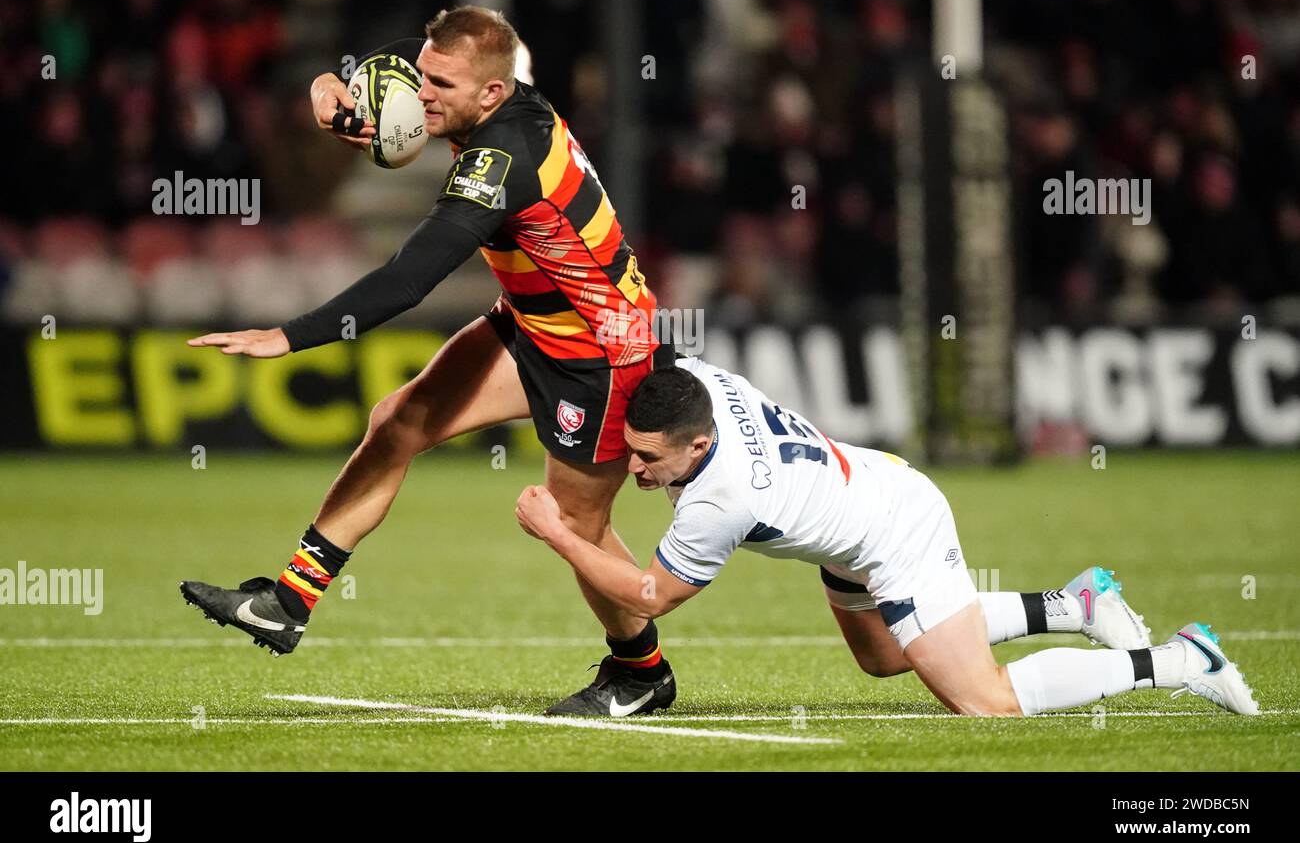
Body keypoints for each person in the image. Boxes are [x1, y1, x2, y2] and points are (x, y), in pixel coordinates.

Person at [180, 6, 676, 716]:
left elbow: (408, 278)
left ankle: (641, 673)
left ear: (493, 96)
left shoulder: (502, 160)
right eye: (423, 76)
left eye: (439, 83)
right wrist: (333, 82)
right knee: (399, 419)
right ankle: (288, 600)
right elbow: (400, 54)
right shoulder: (492, 87)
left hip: (602, 349)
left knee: (573, 526)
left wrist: (289, 335)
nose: (420, 93)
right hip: (536, 321)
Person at [514, 357, 1260, 717]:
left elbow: (650, 594)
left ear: (699, 446)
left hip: (895, 527)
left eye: (649, 458)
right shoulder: (695, 383)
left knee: (985, 703)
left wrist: (560, 530)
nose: (635, 467)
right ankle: (1074, 605)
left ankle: (1178, 657)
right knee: (882, 659)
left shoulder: (724, 495)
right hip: (857, 509)